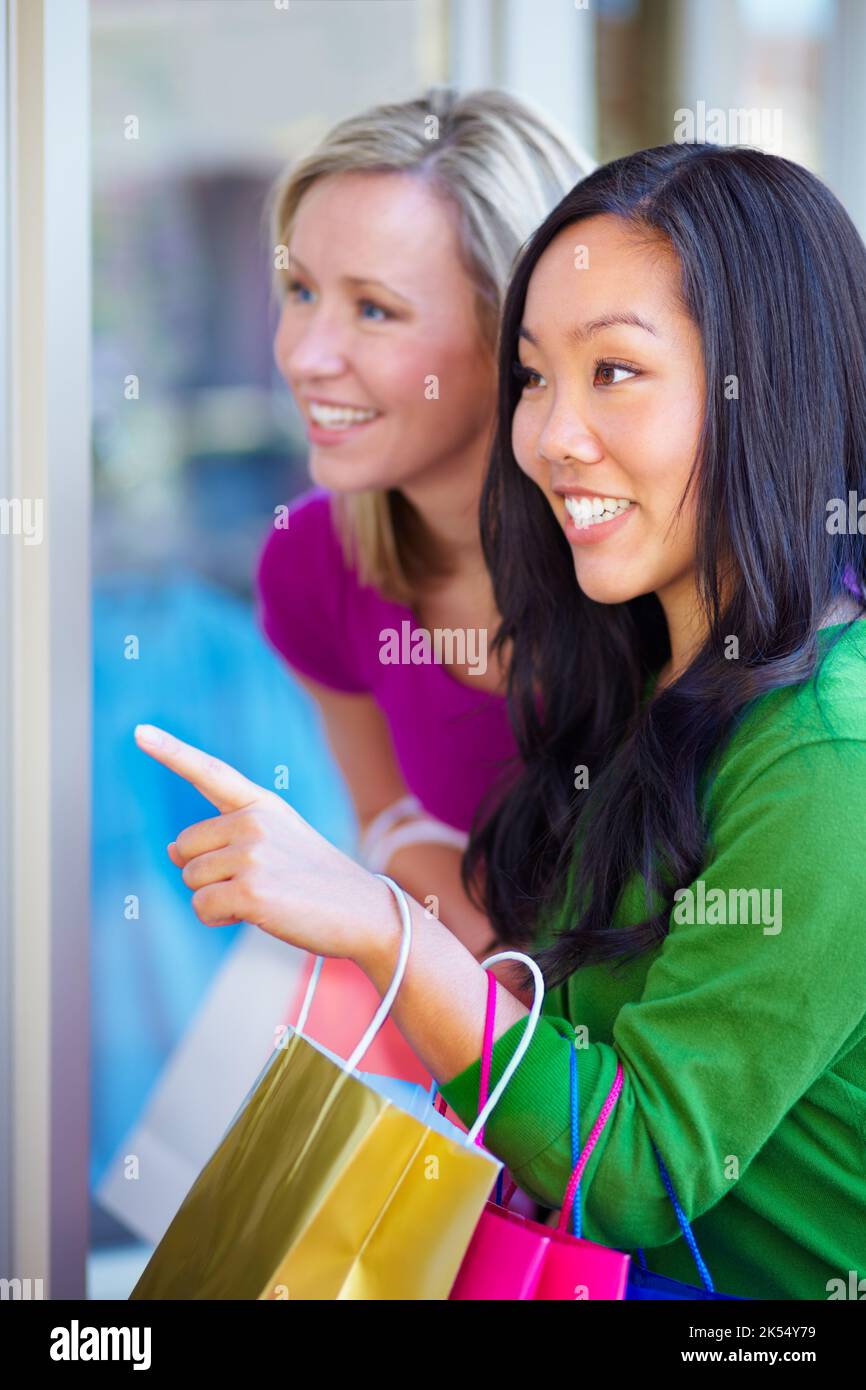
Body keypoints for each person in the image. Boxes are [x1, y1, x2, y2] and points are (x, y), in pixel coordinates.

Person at [137, 143, 866, 1299]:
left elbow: (635, 1171)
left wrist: (386, 926)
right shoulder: (647, 670)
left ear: (766, 392)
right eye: (532, 377)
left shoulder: (830, 750)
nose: (550, 436)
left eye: (613, 372)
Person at [254, 87, 591, 1079]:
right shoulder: (313, 561)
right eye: (300, 292)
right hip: (516, 1081)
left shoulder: (653, 572)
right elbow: (392, 816)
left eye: (374, 309)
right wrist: (493, 979)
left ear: (518, 340)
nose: (306, 355)